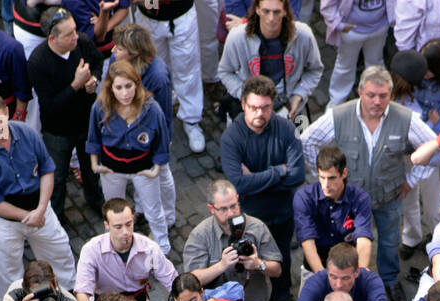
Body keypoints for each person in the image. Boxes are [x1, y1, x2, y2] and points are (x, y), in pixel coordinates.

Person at [303, 65, 440, 301]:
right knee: (345, 243)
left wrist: (411, 179)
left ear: (390, 94)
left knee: (389, 240)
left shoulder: (405, 118)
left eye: (383, 96)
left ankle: (389, 278)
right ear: (359, 91)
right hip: (349, 202)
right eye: (371, 95)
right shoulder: (340, 115)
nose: (377, 101)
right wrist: (326, 179)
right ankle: (347, 282)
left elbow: (434, 146)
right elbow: (308, 140)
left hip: (389, 197)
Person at [0, 93, 76, 301]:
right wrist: (27, 216)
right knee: (7, 268)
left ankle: (69, 294)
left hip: (38, 206)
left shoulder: (27, 133)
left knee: (59, 251)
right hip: (4, 219)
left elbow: (46, 170)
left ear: (7, 113)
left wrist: (41, 209)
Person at [219, 74, 305, 301]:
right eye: (254, 107)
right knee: (245, 259)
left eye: (266, 107)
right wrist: (279, 172)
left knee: (282, 257)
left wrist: (255, 177)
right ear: (244, 104)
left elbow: (298, 175)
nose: (260, 114)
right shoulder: (231, 139)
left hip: (282, 212)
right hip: (249, 216)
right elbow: (238, 184)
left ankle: (282, 296)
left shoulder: (287, 128)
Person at [86, 59, 173, 254]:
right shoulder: (100, 107)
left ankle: (163, 248)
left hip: (142, 169)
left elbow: (161, 142)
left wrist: (156, 170)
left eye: (128, 86)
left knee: (154, 211)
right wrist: (95, 165)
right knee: (114, 212)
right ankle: (116, 246)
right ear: (110, 87)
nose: (124, 93)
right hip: (112, 170)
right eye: (119, 87)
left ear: (137, 84)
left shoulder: (152, 109)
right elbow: (93, 138)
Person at [27, 7, 104, 224]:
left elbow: (97, 62)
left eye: (75, 30)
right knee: (57, 176)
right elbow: (50, 106)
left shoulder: (83, 42)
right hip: (58, 130)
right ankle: (56, 217)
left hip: (87, 122)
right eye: (69, 34)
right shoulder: (38, 62)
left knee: (92, 168)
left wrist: (94, 80)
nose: (75, 36)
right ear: (53, 38)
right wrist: (76, 84)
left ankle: (96, 200)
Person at [74, 196, 176, 301]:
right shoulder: (91, 250)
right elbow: (82, 291)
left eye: (129, 224)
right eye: (118, 227)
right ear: (106, 225)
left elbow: (171, 280)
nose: (125, 232)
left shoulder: (149, 249)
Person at [183, 179, 282, 301]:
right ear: (211, 208)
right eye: (223, 209)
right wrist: (221, 265)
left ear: (237, 199)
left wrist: (258, 264)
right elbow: (192, 281)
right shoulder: (200, 235)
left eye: (233, 206)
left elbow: (277, 270)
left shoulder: (257, 227)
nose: (230, 213)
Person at [217, 0, 322, 123]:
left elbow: (314, 70)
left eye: (277, 12)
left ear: (285, 11)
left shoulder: (304, 36)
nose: (271, 19)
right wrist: (245, 95)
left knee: (299, 138)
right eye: (266, 11)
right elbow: (225, 72)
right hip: (248, 109)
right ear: (257, 9)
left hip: (288, 106)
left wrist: (299, 94)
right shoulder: (237, 37)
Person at [128, 0, 206, 153]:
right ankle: (154, 116)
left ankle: (191, 119)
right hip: (149, 18)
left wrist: (149, 1)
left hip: (181, 14)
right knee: (151, 70)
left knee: (187, 69)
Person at [292, 144, 373, 276]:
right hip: (315, 263)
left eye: (331, 178)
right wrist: (323, 278)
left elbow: (364, 240)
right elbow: (307, 242)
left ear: (344, 173)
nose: (326, 185)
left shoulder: (360, 198)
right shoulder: (304, 197)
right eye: (322, 177)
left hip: (348, 264)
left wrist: (360, 274)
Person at [321, 0, 390, 108]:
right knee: (345, 66)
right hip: (351, 32)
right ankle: (336, 101)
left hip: (379, 29)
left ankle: (379, 96)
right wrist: (339, 25)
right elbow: (327, 5)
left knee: (376, 64)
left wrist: (391, 19)